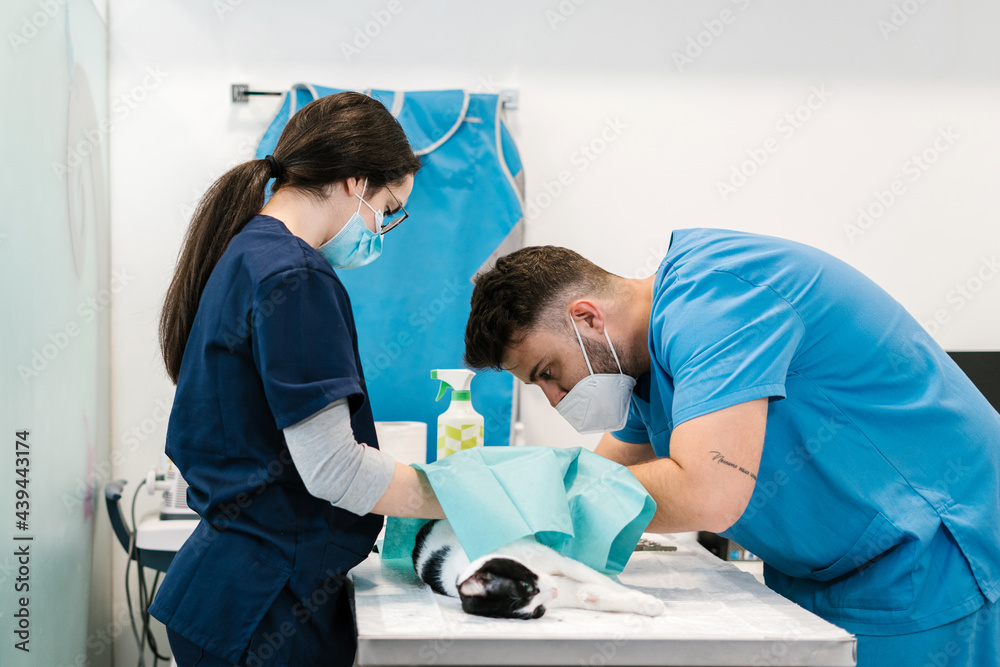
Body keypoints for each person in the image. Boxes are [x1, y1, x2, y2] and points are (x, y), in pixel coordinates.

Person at [463, 228, 1000, 666]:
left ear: (586, 318)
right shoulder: (646, 364)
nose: (556, 400)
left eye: (549, 373)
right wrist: (514, 530)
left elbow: (705, 492)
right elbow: (600, 479)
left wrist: (523, 485)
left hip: (933, 559)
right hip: (828, 574)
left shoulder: (716, 301)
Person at [149, 92, 445, 667]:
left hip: (233, 592)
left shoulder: (246, 254)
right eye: (388, 208)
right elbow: (334, 467)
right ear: (355, 182)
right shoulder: (295, 275)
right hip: (265, 607)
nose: (382, 229)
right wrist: (462, 495)